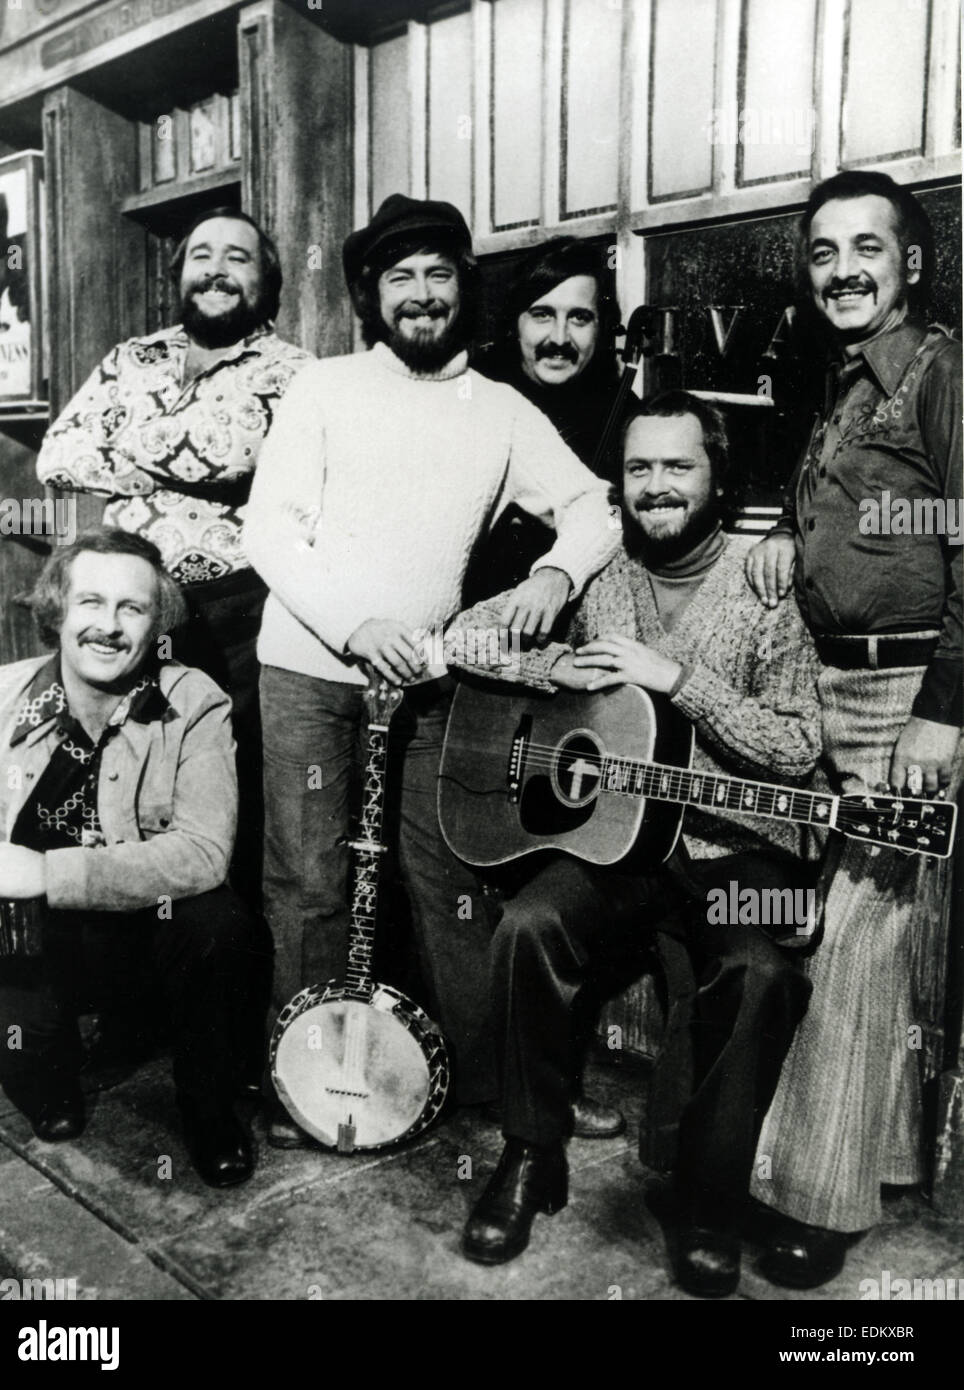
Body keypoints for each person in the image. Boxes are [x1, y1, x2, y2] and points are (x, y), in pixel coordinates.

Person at [240, 194, 619, 1146]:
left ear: (463, 289)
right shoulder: (322, 388)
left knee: (449, 879)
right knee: (311, 882)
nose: (420, 295)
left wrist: (555, 569)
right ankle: (308, 1084)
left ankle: (495, 1089)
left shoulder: (496, 407)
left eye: (439, 275)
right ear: (372, 295)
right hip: (309, 670)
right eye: (399, 278)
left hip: (430, 681)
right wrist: (354, 623)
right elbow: (268, 531)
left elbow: (596, 507)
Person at [447, 392, 823, 1296]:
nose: (657, 487)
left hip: (739, 846)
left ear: (717, 478)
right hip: (616, 839)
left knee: (763, 973)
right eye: (639, 468)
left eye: (678, 466)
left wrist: (680, 679)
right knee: (529, 929)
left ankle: (705, 1196)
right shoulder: (598, 571)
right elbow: (467, 644)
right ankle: (533, 1153)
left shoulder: (767, 580)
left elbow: (799, 742)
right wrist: (553, 665)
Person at [744, 170, 962, 1288]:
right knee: (863, 941)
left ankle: (816, 1207)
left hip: (907, 694)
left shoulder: (941, 372)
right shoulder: (841, 386)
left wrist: (943, 711)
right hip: (835, 687)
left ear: (909, 265)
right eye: (823, 252)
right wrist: (786, 535)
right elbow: (859, 507)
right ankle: (862, 1162)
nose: (842, 270)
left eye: (865, 249)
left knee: (859, 932)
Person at [0, 529, 267, 1188]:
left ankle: (208, 1105)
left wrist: (46, 873)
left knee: (220, 925)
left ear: (155, 622)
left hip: (144, 944)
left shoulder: (192, 701)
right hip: (33, 947)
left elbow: (204, 852)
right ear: (59, 612)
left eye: (131, 609)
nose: (108, 626)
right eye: (91, 603)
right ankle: (47, 1069)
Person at [35, 209, 311, 906]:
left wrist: (130, 450)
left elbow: (229, 454)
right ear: (180, 273)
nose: (217, 270)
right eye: (202, 255)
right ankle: (114, 954)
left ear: (266, 282)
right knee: (115, 772)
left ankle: (219, 960)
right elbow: (60, 452)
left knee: (223, 792)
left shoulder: (295, 374)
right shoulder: (133, 357)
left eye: (238, 258)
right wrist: (127, 468)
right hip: (125, 612)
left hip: (235, 617)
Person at [466, 236, 628, 603]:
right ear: (515, 323)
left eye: (579, 318)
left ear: (601, 327)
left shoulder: (624, 413)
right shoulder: (475, 394)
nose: (559, 337)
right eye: (542, 314)